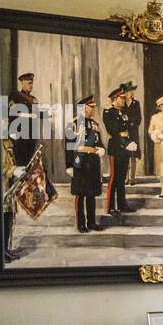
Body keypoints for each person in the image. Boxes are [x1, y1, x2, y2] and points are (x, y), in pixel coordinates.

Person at [66, 96, 105, 234]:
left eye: (94, 107)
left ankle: (92, 222)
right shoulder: (74, 124)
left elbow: (99, 142)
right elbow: (69, 146)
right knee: (80, 194)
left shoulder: (95, 124)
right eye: (91, 107)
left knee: (91, 194)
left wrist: (101, 149)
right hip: (80, 162)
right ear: (84, 108)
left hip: (93, 161)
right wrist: (69, 165)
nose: (94, 109)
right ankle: (81, 224)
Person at [102, 87, 137, 216]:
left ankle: (122, 204)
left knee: (122, 178)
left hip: (125, 147)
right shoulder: (108, 112)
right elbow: (113, 131)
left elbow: (129, 129)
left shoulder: (123, 112)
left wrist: (131, 142)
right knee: (114, 178)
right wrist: (125, 143)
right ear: (115, 99)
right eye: (121, 98)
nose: (124, 100)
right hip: (116, 147)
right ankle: (110, 207)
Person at [120, 82, 143, 182]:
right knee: (125, 155)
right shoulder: (121, 104)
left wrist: (134, 124)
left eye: (130, 92)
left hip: (133, 131)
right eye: (127, 92)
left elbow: (139, 117)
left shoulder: (136, 103)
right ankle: (125, 177)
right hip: (124, 132)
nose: (129, 94)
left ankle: (132, 177)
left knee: (133, 154)